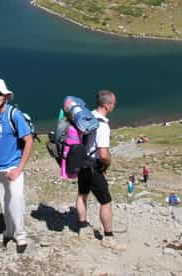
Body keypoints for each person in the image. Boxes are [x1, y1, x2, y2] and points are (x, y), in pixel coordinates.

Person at [0, 78, 33, 253]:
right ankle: (8, 231)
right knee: (4, 200)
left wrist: (18, 169)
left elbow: (28, 141)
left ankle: (21, 237)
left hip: (13, 166)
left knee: (16, 199)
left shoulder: (14, 114)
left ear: (5, 95)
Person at [76, 89, 117, 247]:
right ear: (107, 105)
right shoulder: (103, 125)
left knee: (82, 194)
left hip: (81, 163)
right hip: (93, 165)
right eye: (113, 103)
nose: (114, 106)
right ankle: (108, 237)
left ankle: (82, 227)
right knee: (105, 201)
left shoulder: (87, 116)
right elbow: (103, 153)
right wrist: (106, 164)